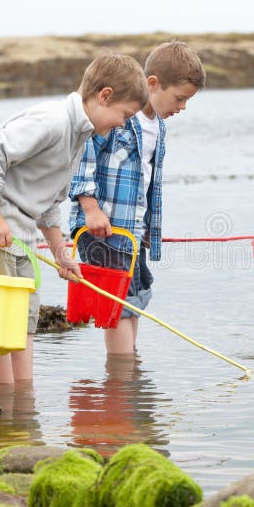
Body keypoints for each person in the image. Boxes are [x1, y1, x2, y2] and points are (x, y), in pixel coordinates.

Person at [0, 53, 148, 384]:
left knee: (25, 318)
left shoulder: (80, 138)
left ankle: (24, 396)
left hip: (22, 232)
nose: (123, 123)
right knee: (0, 320)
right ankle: (6, 393)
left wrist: (60, 253)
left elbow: (50, 203)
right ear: (104, 96)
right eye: (124, 114)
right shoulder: (52, 121)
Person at [69, 41, 205, 355]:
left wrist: (147, 229)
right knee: (118, 306)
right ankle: (122, 374)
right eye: (179, 98)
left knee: (137, 296)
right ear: (152, 84)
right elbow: (82, 158)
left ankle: (130, 374)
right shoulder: (117, 119)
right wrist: (90, 209)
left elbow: (148, 181)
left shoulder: (158, 126)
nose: (181, 107)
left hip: (132, 234)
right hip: (103, 230)